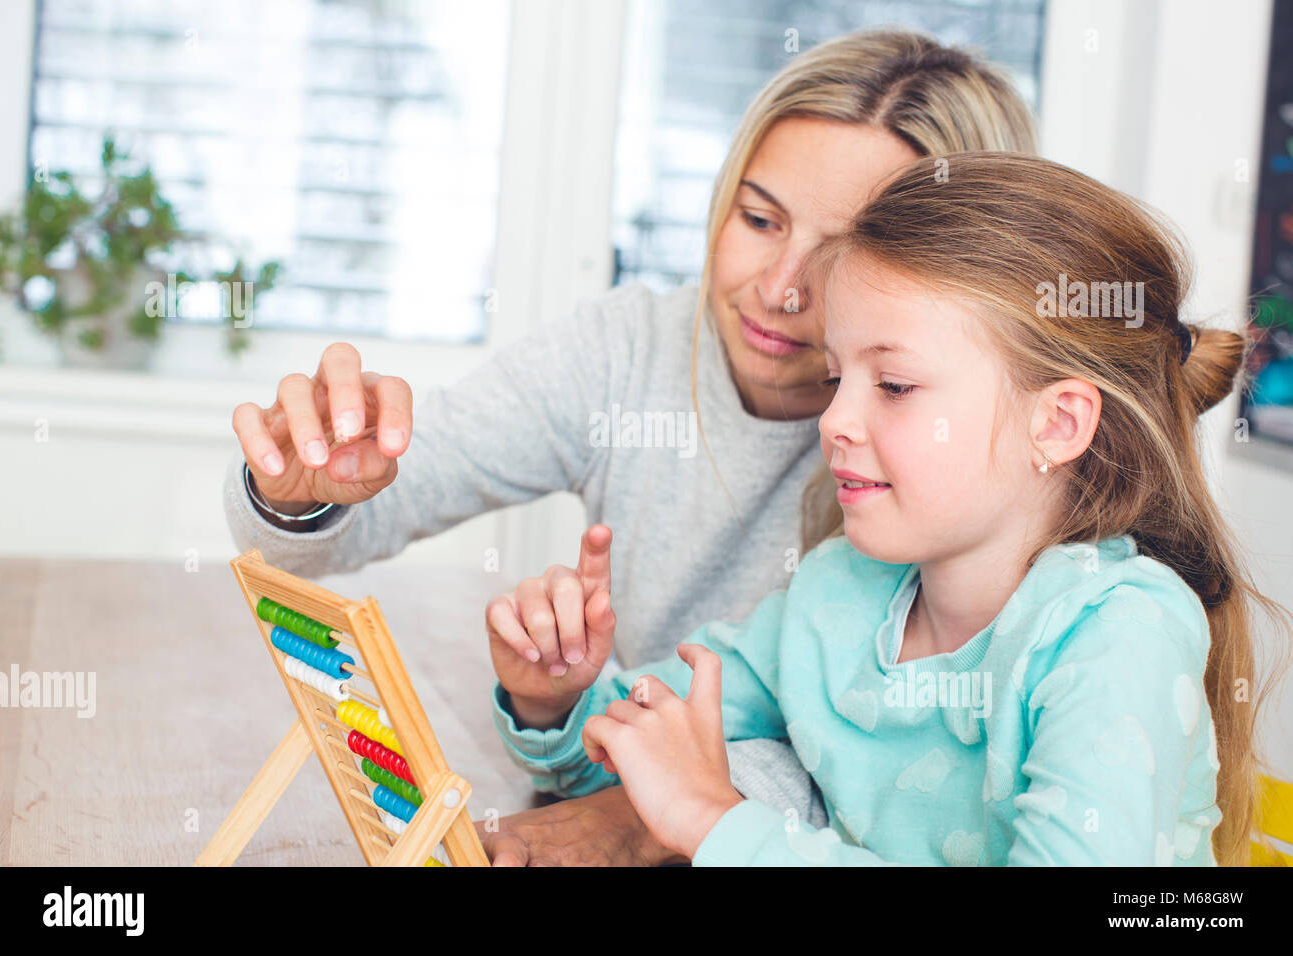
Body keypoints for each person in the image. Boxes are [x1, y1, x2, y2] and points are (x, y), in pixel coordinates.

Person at [226, 30, 1037, 865]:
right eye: (759, 219)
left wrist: (653, 813)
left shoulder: (956, 460)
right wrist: (301, 485)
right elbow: (372, 502)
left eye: (845, 255)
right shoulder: (627, 350)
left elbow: (901, 776)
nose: (779, 286)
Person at [489, 152, 1292, 866]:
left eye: (895, 387)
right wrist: (556, 691)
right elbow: (645, 745)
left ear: (1056, 424)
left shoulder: (1120, 634)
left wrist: (713, 821)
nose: (833, 421)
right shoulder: (838, 592)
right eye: (837, 376)